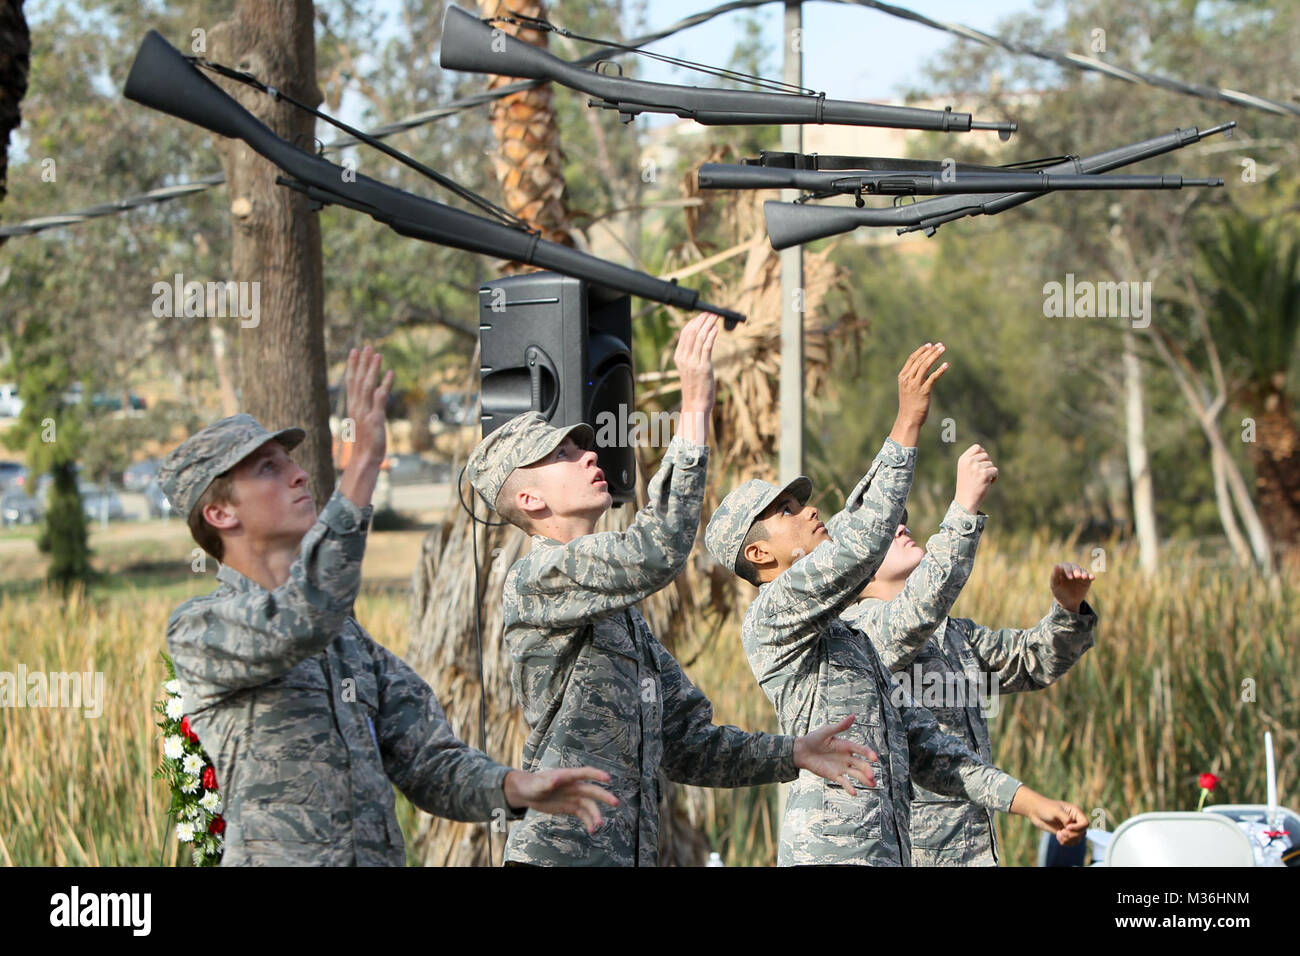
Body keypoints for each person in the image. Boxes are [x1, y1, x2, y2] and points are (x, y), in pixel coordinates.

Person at [160, 346, 616, 866]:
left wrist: (515, 787)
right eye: (268, 468)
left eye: (291, 462)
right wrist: (363, 468)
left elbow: (428, 763)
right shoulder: (200, 629)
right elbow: (298, 619)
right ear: (219, 512)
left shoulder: (347, 641)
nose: (300, 475)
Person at [466, 312, 878, 866]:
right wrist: (693, 410)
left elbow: (689, 743)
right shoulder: (538, 579)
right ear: (531, 501)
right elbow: (657, 548)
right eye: (562, 455)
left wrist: (795, 754)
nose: (590, 454)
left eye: (583, 446)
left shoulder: (620, 616)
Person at [704, 342, 1088, 865]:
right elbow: (865, 547)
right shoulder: (773, 615)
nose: (809, 509)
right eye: (787, 511)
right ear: (758, 552)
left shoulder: (850, 641)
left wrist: (1028, 803)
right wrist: (906, 425)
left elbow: (929, 748)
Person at [843, 442, 1096, 865]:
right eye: (887, 530)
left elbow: (1031, 661)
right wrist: (964, 506)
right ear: (858, 566)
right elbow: (920, 609)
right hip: (913, 853)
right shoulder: (862, 633)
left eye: (902, 522)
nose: (902, 529)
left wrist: (1068, 610)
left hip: (975, 849)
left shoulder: (952, 634)